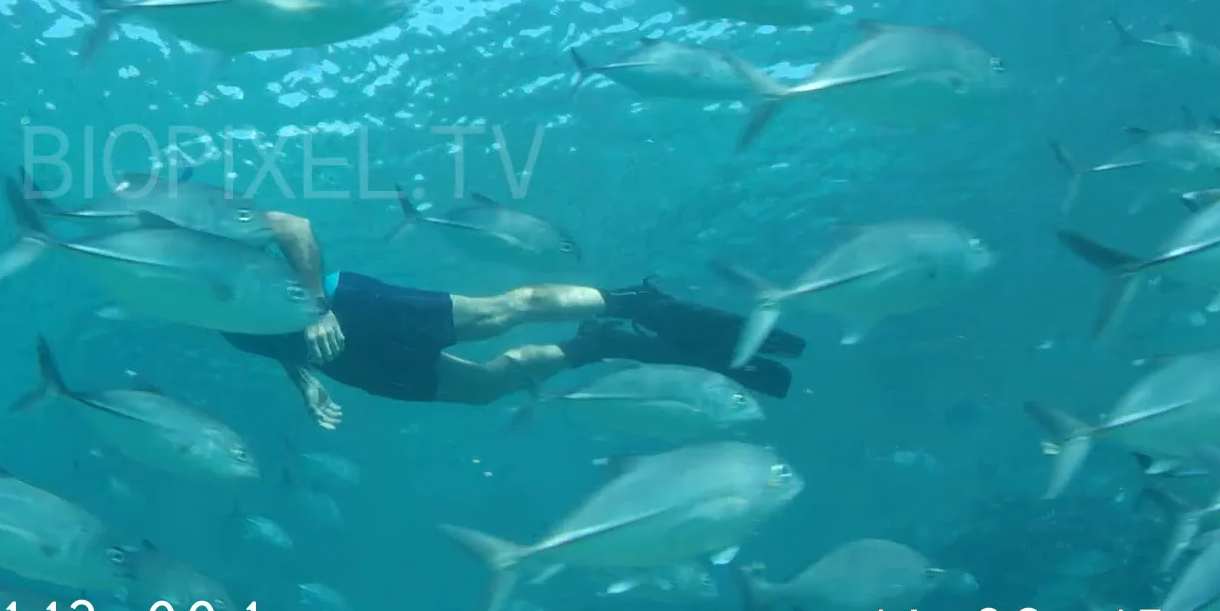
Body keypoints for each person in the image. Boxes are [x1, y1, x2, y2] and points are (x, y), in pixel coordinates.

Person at [223, 213, 805, 429]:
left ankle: (627, 301)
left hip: (349, 306)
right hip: (330, 356)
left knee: (499, 315)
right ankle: (594, 346)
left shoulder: (192, 227)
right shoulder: (155, 290)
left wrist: (318, 310)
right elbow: (255, 332)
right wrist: (304, 378)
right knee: (480, 390)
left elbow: (293, 226)